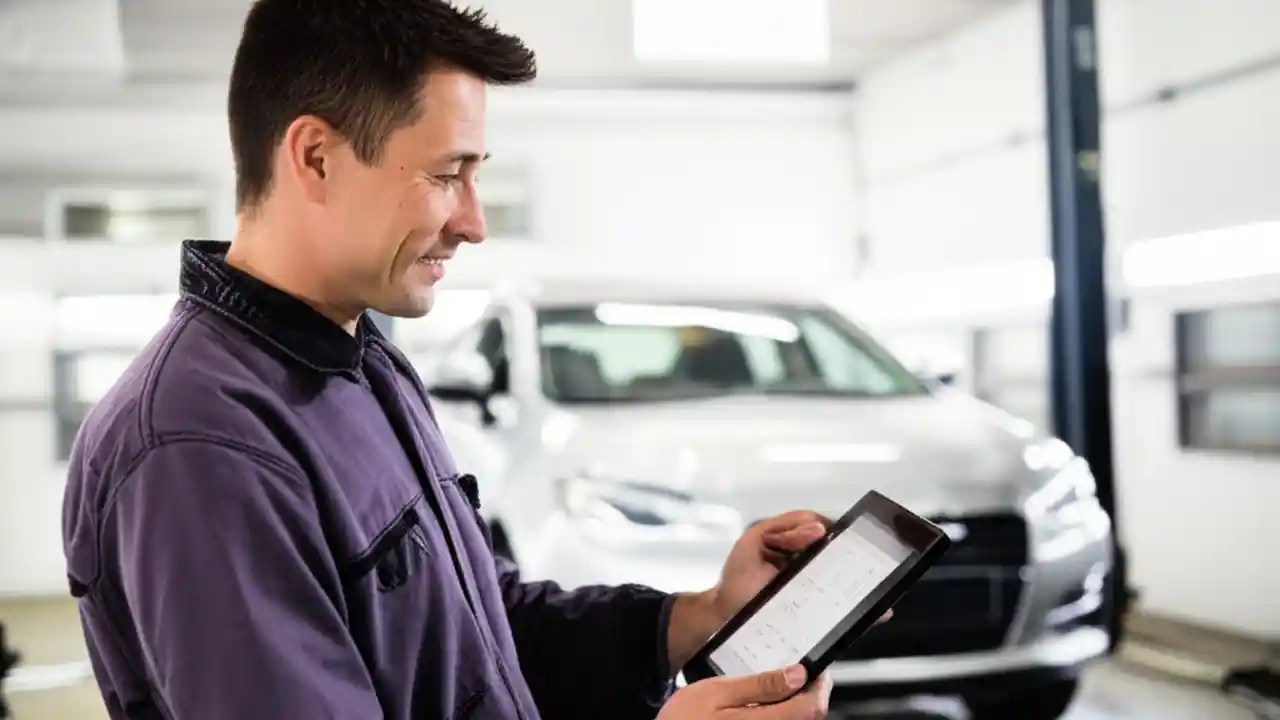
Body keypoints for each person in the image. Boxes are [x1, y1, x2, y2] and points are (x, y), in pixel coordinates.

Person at [61, 1, 838, 718]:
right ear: (316, 157)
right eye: (446, 175)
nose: (472, 222)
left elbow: (477, 634)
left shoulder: (368, 366)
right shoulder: (199, 445)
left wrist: (697, 616)